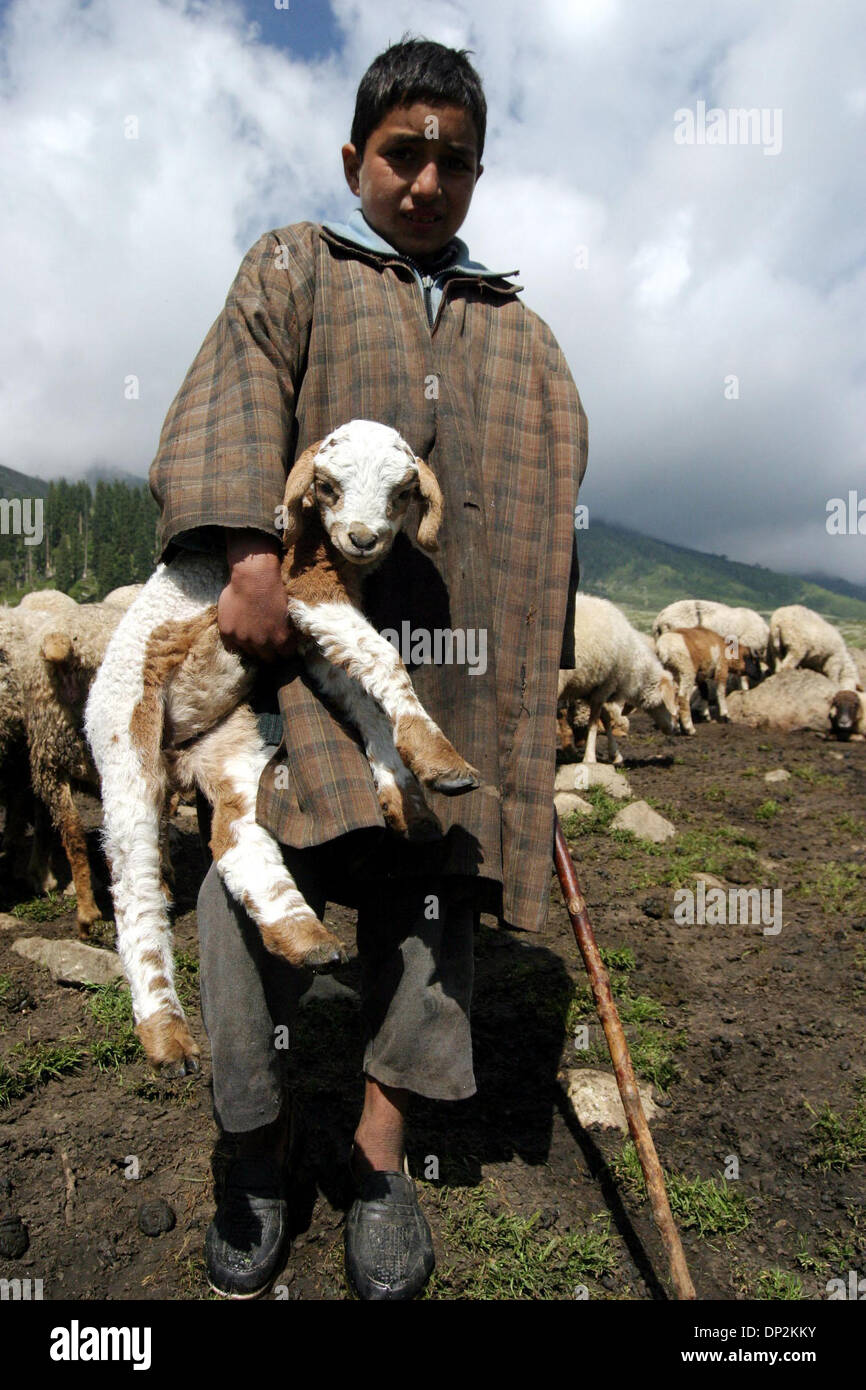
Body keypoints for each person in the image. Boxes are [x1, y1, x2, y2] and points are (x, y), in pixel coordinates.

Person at [149, 36, 587, 1301]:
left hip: (451, 673)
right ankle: (251, 1145)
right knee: (245, 880)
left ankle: (381, 1154)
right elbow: (234, 400)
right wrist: (244, 557)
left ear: (477, 172)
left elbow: (543, 508)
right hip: (295, 657)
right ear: (356, 158)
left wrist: (530, 707)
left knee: (427, 902)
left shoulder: (521, 333)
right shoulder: (297, 266)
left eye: (454, 159)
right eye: (403, 152)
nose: (426, 179)